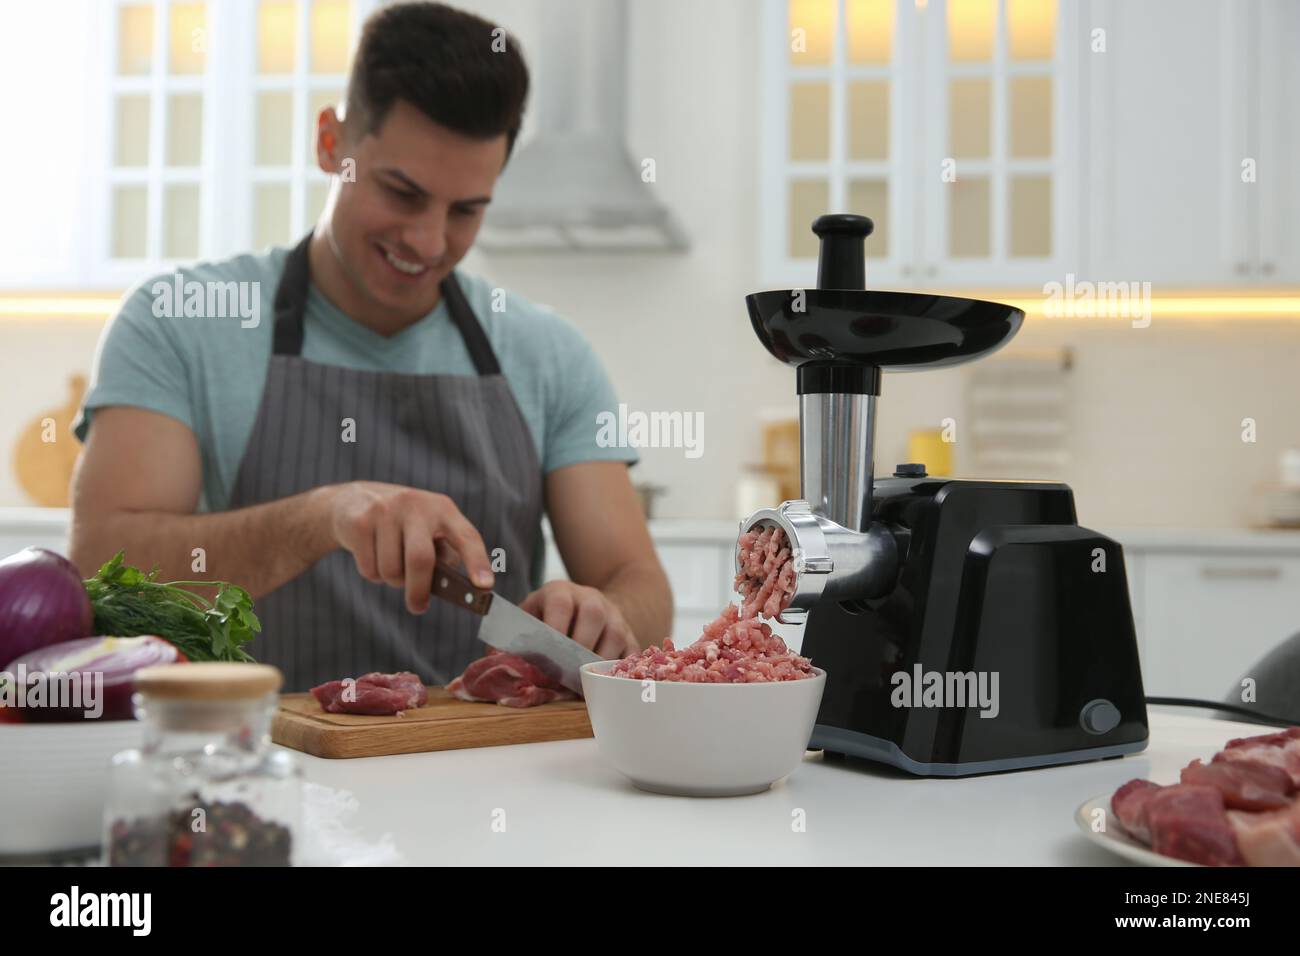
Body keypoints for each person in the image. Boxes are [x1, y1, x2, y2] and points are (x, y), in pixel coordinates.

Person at [69, 1, 672, 691]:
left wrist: (606, 612)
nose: (428, 241)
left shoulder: (551, 354)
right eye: (401, 192)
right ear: (332, 143)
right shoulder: (177, 323)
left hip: (491, 769)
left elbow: (641, 586)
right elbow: (99, 571)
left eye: (466, 210)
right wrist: (320, 518)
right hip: (258, 768)